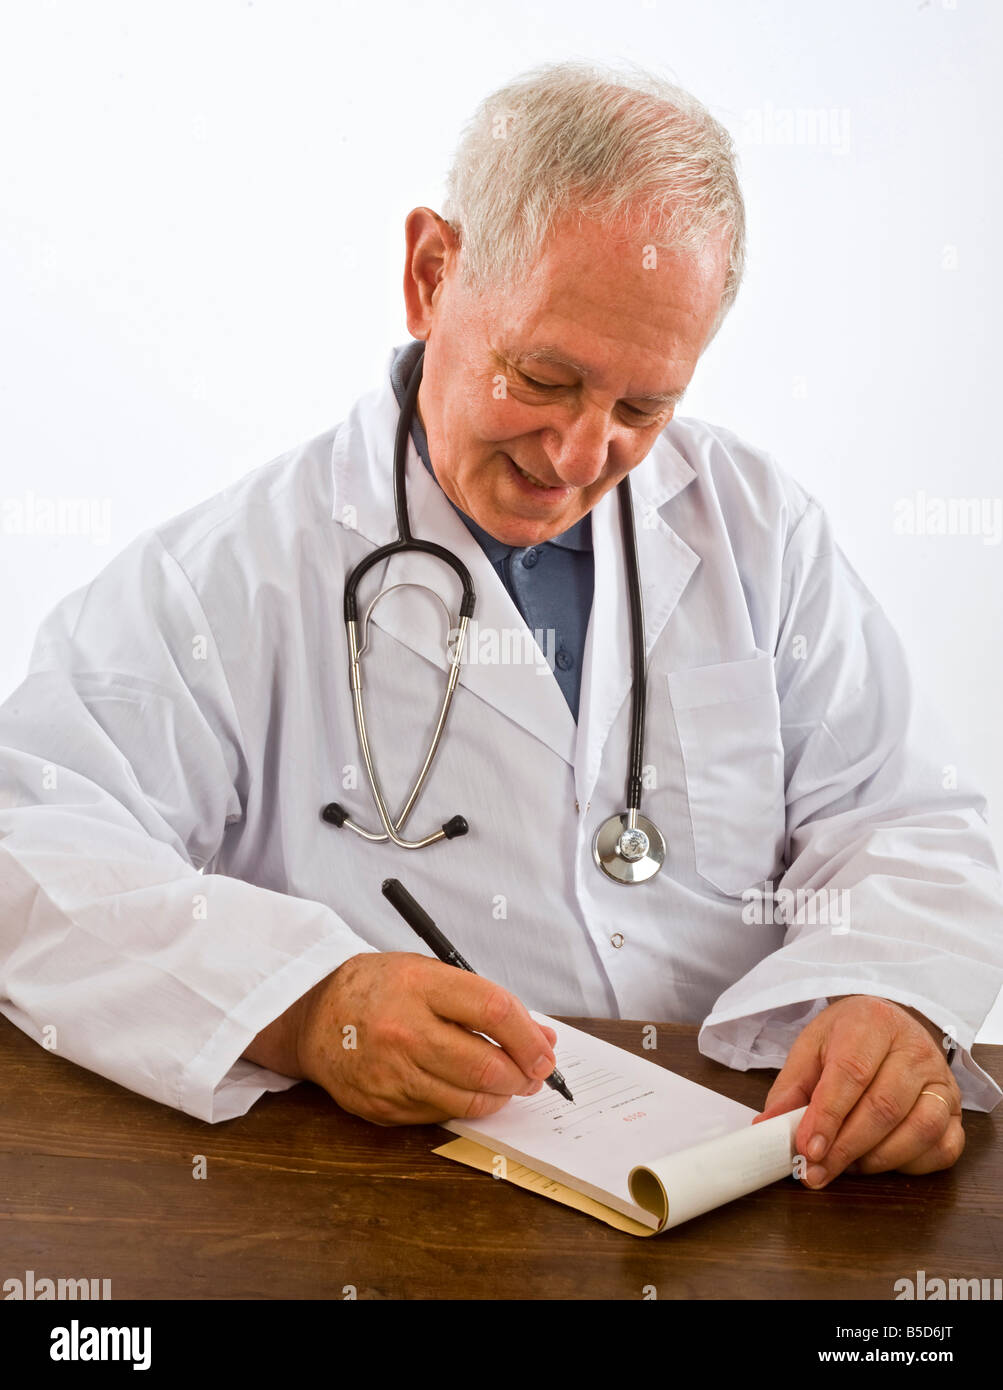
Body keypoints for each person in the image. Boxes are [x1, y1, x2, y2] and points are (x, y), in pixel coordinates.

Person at [1, 62, 1000, 1197]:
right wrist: (304, 1004)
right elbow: (29, 843)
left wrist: (886, 990)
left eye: (641, 407)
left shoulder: (759, 532)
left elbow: (902, 816)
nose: (581, 458)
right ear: (433, 274)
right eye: (543, 375)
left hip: (749, 1178)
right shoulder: (227, 577)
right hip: (392, 1199)